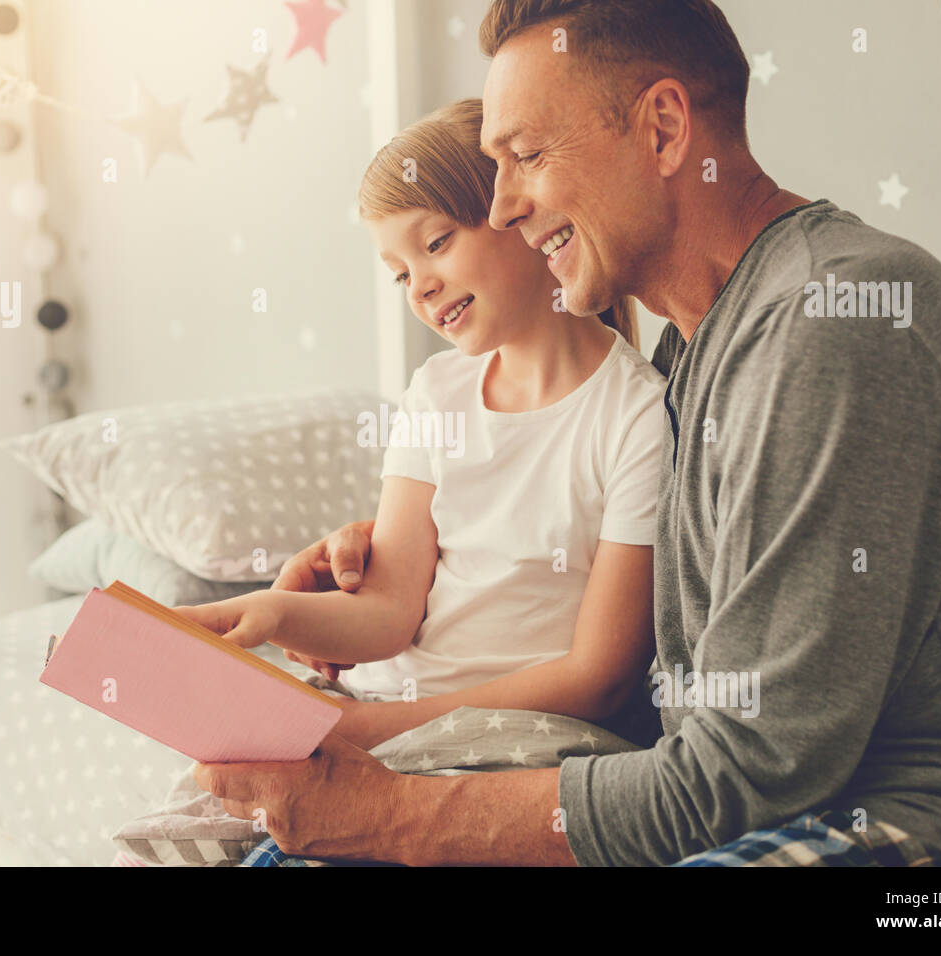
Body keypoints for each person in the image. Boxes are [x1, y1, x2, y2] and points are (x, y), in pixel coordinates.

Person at [196, 0, 941, 867]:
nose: (500, 209)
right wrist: (407, 570)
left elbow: (742, 774)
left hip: (936, 836)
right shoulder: (694, 355)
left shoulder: (830, 323)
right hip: (760, 803)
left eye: (526, 156)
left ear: (663, 128)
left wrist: (396, 815)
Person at [175, 98, 667, 752]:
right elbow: (385, 613)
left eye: (436, 244)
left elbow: (596, 679)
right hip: (382, 709)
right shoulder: (437, 392)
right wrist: (269, 613)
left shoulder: (636, 417)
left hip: (509, 741)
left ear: (519, 213)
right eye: (401, 274)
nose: (420, 289)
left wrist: (369, 731)